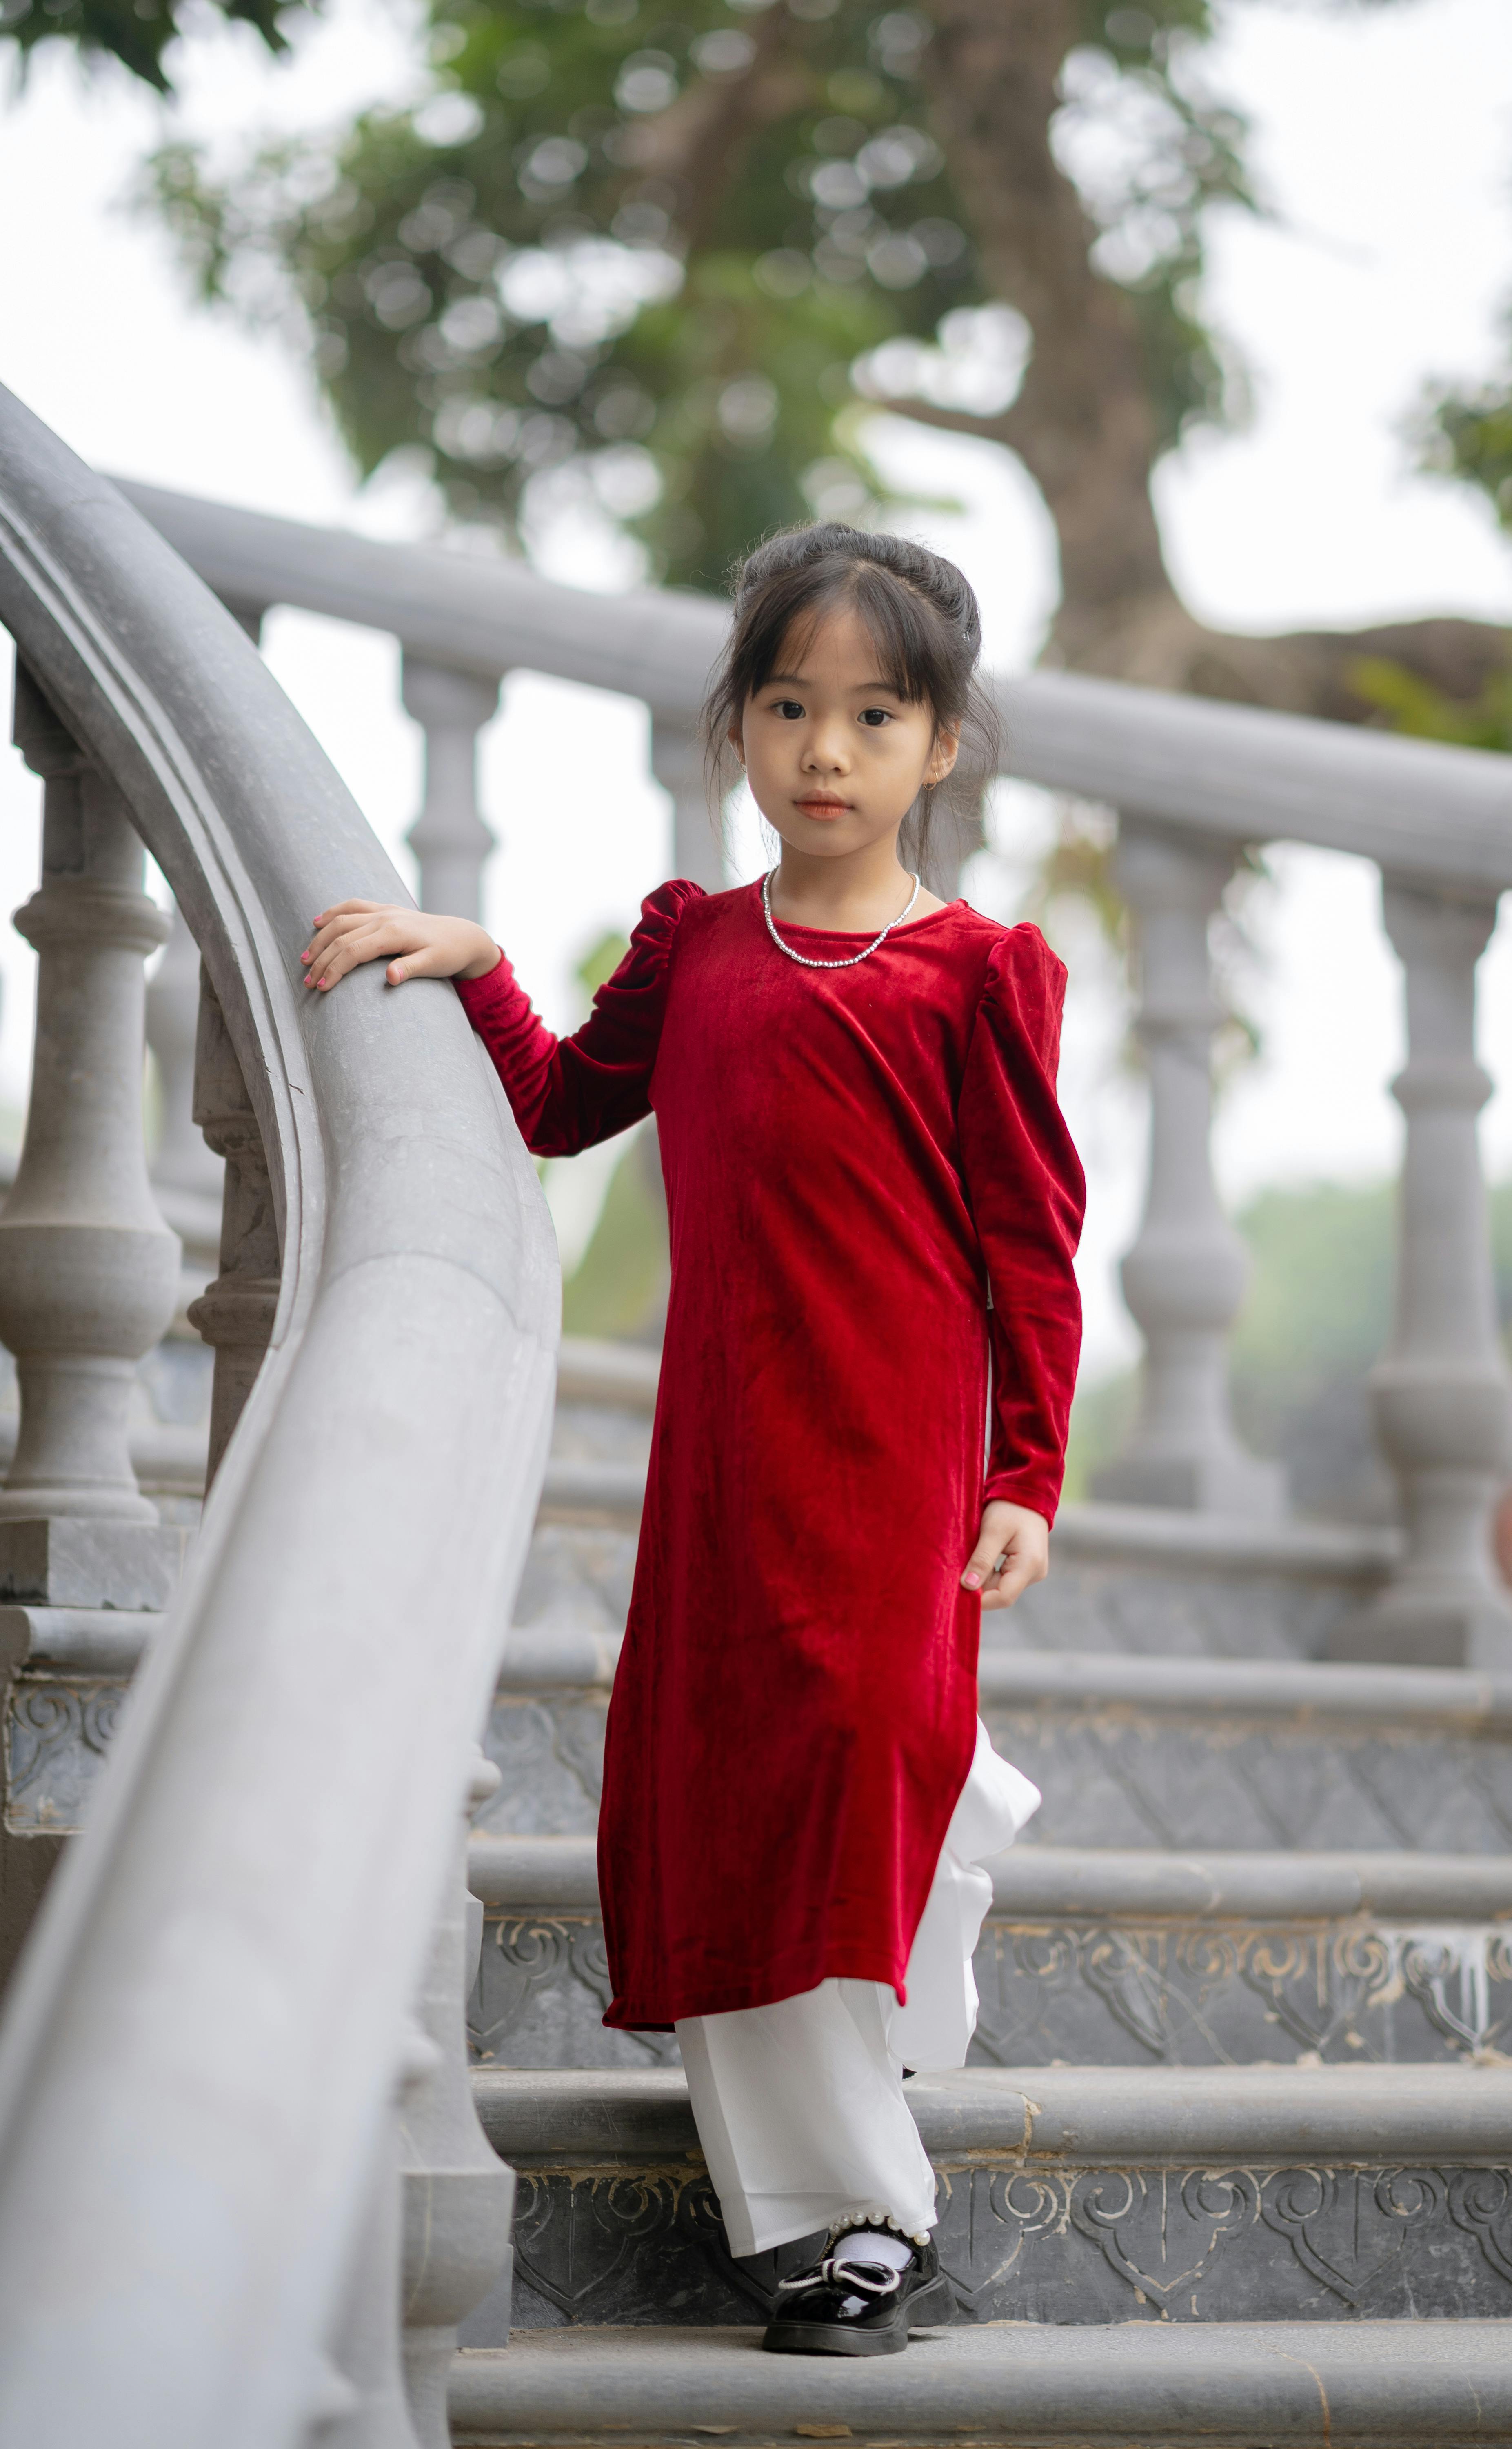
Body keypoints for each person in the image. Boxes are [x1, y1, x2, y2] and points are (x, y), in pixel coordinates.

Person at [300, 522, 1086, 2356]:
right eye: (790, 707)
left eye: (875, 715)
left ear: (939, 746)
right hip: (727, 1458)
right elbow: (569, 1103)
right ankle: (817, 2215)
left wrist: (1025, 1474)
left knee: (864, 1743)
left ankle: (867, 2196)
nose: (827, 750)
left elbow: (1030, 1247)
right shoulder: (700, 947)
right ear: (738, 726)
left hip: (896, 1458)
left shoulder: (977, 973)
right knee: (743, 1783)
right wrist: (478, 964)